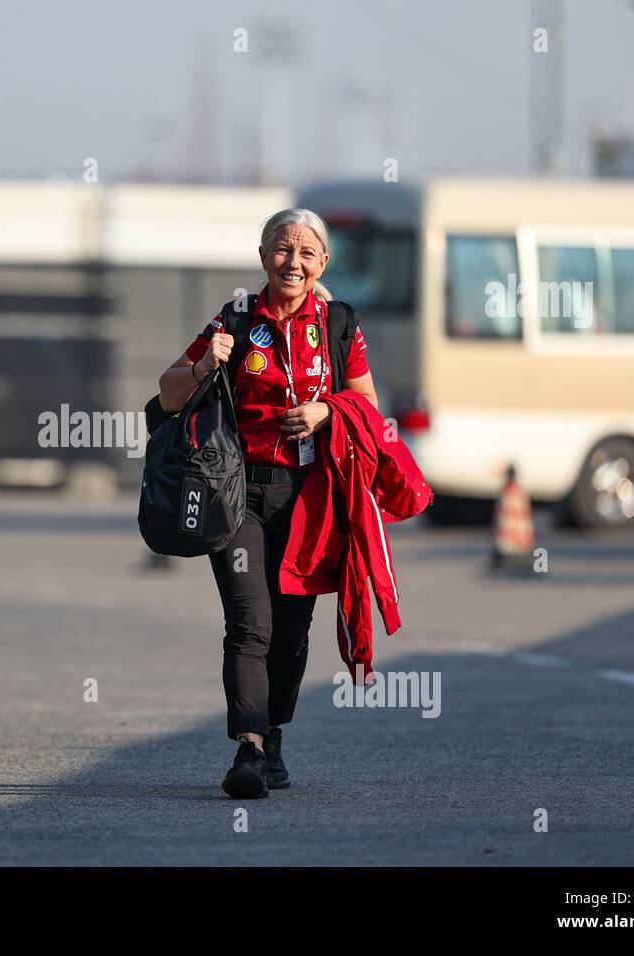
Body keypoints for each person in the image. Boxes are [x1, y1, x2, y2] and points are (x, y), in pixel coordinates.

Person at [157, 208, 379, 799]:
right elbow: (168, 392)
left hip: (309, 499)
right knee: (249, 624)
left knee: (292, 632)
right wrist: (207, 363)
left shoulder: (337, 325)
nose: (294, 262)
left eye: (307, 253)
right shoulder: (233, 320)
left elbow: (370, 409)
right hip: (237, 496)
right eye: (283, 250)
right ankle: (248, 748)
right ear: (262, 256)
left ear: (322, 264)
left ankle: (274, 731)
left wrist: (327, 409)